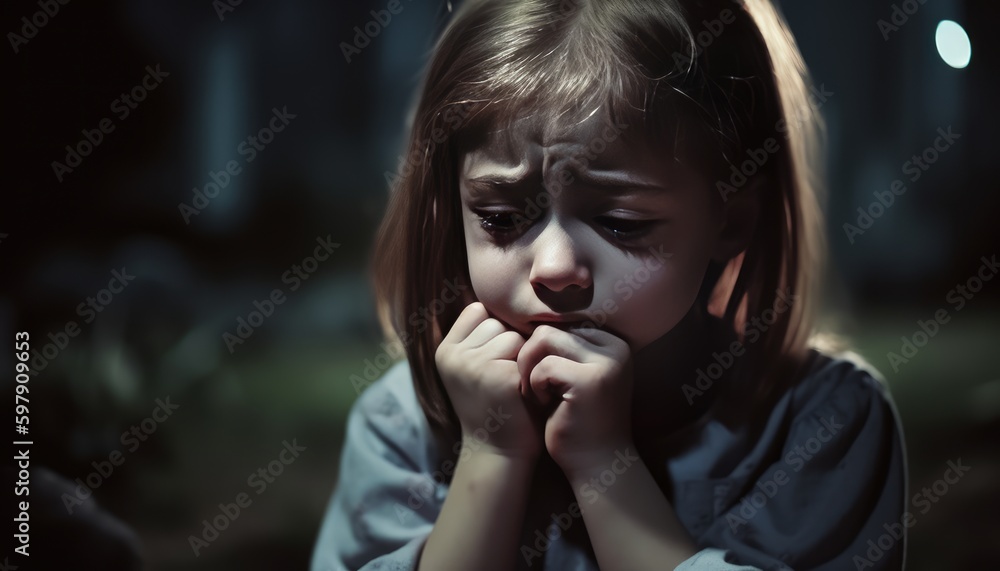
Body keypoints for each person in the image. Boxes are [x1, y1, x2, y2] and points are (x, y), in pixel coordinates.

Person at [311, 0, 907, 569]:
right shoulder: (402, 424)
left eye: (621, 224)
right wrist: (489, 455)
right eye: (500, 218)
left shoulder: (821, 424)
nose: (553, 266)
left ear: (732, 220)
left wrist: (604, 464)